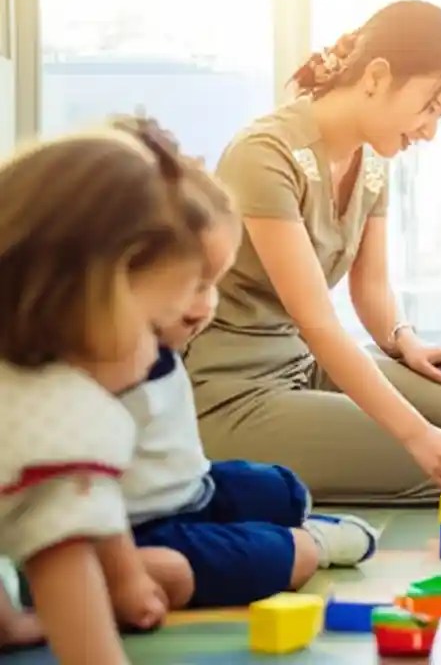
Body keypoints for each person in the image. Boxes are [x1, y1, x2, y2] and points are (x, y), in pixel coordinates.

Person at [185, 0, 441, 505]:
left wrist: (406, 341)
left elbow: (371, 287)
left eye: (439, 119)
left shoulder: (374, 159)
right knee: (438, 463)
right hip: (235, 389)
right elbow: (317, 320)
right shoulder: (264, 155)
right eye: (428, 108)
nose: (427, 132)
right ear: (376, 76)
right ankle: (232, 458)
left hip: (303, 364)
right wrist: (417, 435)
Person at [110, 119, 379, 610]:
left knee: (282, 490)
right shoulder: (100, 371)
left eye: (213, 284)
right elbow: (76, 503)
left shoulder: (157, 341)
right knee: (287, 554)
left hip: (187, 488)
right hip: (132, 524)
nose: (206, 306)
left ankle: (272, 528)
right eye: (192, 286)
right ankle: (307, 545)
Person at [0, 122, 215, 663]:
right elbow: (89, 647)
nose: (153, 355)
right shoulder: (56, 421)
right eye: (150, 327)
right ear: (96, 289)